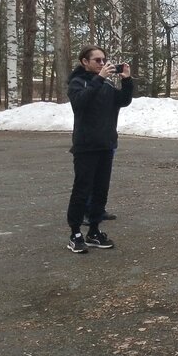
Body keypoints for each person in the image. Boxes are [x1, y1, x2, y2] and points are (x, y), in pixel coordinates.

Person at [65, 46, 133, 253]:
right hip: (86, 146)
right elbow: (80, 103)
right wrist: (99, 79)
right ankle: (75, 232)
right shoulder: (77, 83)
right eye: (97, 60)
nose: (102, 64)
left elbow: (123, 101)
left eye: (104, 60)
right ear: (84, 62)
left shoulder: (106, 84)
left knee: (100, 190)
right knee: (82, 190)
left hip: (106, 144)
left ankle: (94, 230)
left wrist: (127, 80)